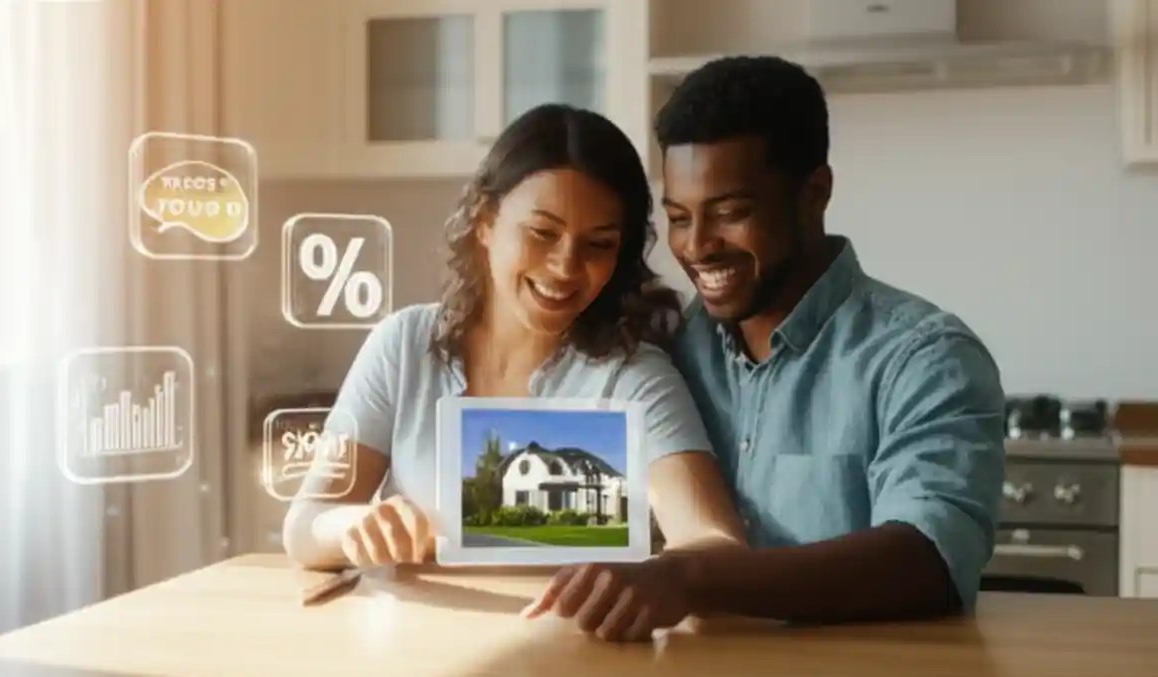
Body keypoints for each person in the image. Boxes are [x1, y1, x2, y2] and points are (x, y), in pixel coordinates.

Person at [525, 56, 1005, 627]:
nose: (697, 247)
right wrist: (441, 524)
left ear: (815, 193)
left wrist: (691, 578)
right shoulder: (666, 353)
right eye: (679, 218)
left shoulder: (925, 358)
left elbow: (929, 559)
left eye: (730, 213)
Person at [282, 103, 747, 640]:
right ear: (485, 222)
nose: (566, 267)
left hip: (587, 662)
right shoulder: (405, 346)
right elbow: (305, 524)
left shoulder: (633, 378)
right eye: (542, 232)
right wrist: (353, 526)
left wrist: (668, 574)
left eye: (598, 245)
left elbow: (717, 543)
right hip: (424, 652)